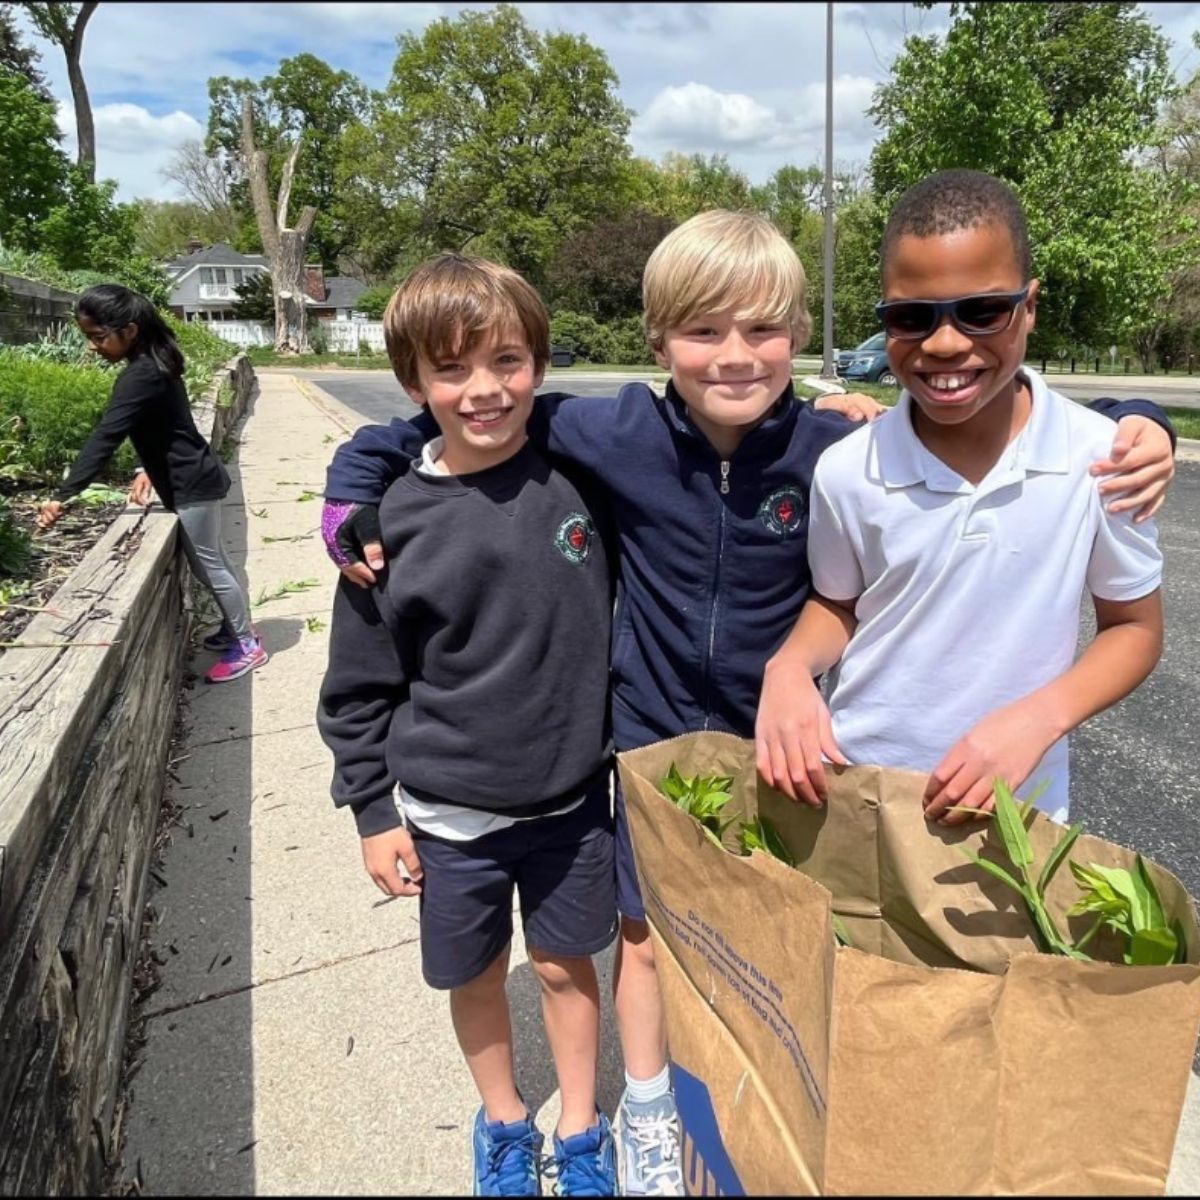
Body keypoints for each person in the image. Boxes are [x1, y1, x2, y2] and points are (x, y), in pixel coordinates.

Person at [317, 209, 1178, 1196]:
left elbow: (1005, 415)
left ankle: (788, 1114)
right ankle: (648, 1118)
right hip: (651, 740)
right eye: (703, 332)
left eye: (763, 330)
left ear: (801, 333)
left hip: (790, 751)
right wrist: (353, 487)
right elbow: (450, 410)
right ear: (657, 341)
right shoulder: (609, 429)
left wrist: (1130, 415)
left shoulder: (831, 446)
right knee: (646, 943)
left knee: (789, 951)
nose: (734, 357)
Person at [316, 254, 619, 1197]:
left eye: (508, 361)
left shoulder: (584, 477)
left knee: (569, 968)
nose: (484, 389)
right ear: (414, 384)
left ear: (539, 361)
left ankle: (579, 1129)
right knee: (475, 974)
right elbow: (358, 686)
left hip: (573, 804)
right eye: (451, 370)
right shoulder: (385, 527)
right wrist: (370, 809)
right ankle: (503, 1123)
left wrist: (835, 413)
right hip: (449, 817)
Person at [755, 168, 1164, 828]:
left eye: (982, 311)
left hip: (1019, 812)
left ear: (1029, 306)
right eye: (911, 318)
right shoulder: (848, 469)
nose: (945, 344)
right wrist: (789, 667)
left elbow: (1136, 629)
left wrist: (1040, 717)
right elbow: (837, 604)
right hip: (859, 795)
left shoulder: (1107, 459)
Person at [35, 284, 265, 684]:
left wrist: (65, 493)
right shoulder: (157, 361)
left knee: (208, 565)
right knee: (215, 560)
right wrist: (146, 467)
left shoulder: (141, 374)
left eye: (98, 337)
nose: (93, 346)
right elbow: (166, 425)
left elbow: (106, 436)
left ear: (129, 331)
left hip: (190, 481)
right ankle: (236, 627)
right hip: (193, 474)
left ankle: (247, 644)